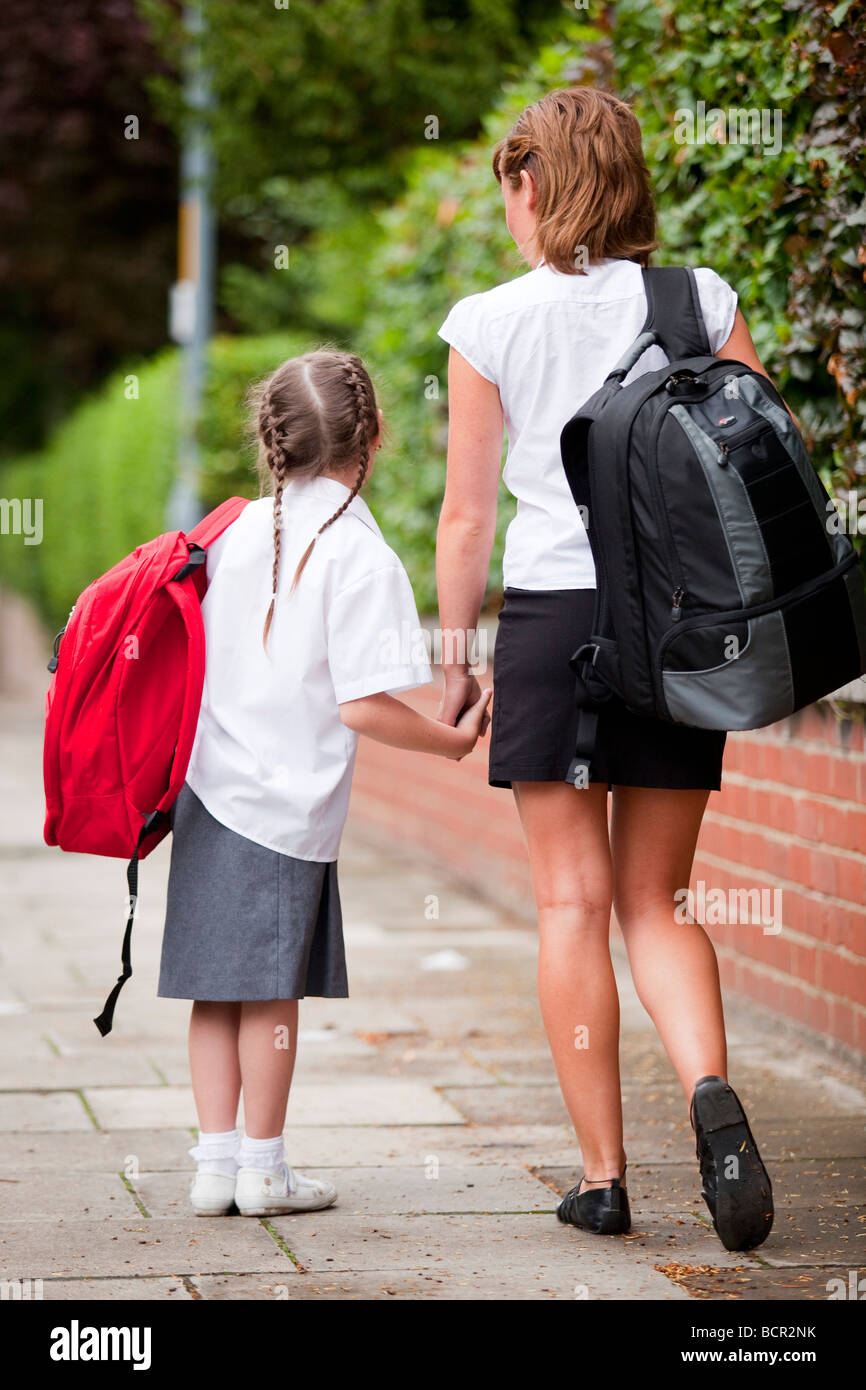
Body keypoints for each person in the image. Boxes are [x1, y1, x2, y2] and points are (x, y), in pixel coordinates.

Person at [435, 87, 774, 1250]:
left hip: (552, 614)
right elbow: (761, 460)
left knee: (570, 902)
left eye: (508, 194)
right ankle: (709, 1100)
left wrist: (453, 654)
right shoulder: (700, 300)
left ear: (530, 183)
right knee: (657, 900)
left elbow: (465, 518)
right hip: (679, 620)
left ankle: (602, 1180)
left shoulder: (487, 322)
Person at [158, 349, 491, 1218]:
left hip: (207, 791)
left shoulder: (232, 533)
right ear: (372, 439)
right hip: (283, 813)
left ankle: (213, 1167)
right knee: (270, 995)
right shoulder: (358, 552)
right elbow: (365, 708)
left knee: (213, 988)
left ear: (275, 444)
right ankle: (264, 1169)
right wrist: (450, 744)